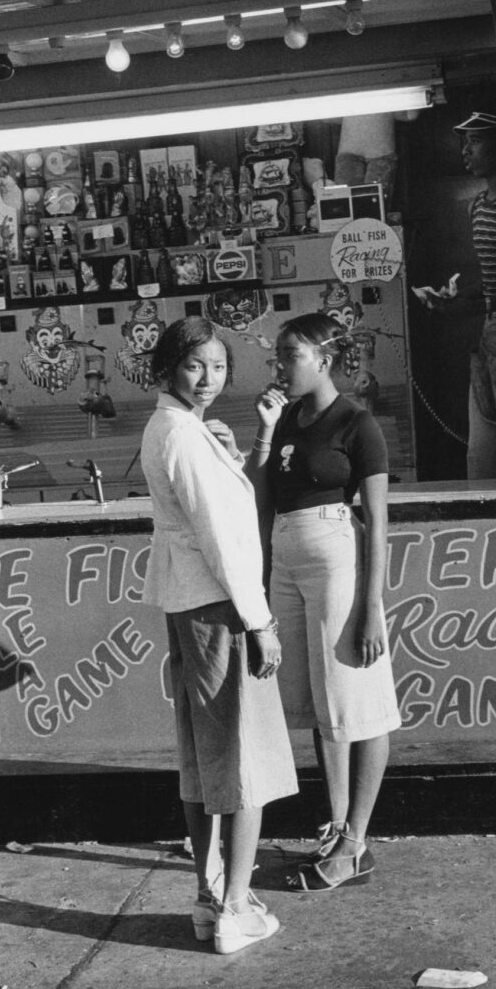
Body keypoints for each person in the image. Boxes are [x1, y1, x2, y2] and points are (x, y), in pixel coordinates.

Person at [140, 316, 298, 954]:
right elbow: (224, 540)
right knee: (243, 760)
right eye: (194, 366)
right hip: (220, 610)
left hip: (191, 608)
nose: (208, 380)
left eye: (219, 367)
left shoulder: (176, 430)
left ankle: (208, 900)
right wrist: (259, 622)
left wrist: (232, 455)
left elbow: (206, 511)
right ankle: (235, 907)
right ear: (167, 370)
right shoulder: (182, 436)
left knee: (205, 762)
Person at [248, 312, 401, 892]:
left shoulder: (358, 423)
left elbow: (380, 521)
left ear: (324, 360)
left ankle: (358, 841)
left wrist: (374, 604)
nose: (280, 367)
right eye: (278, 357)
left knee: (357, 695)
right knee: (318, 699)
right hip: (286, 552)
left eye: (291, 356)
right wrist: (264, 429)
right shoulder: (285, 417)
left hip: (338, 553)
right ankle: (335, 828)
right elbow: (260, 492)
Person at [415, 110, 496, 479]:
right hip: (492, 335)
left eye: (475, 141)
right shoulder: (478, 206)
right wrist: (457, 298)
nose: (465, 152)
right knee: (480, 451)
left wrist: (480, 304)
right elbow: (495, 277)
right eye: (463, 144)